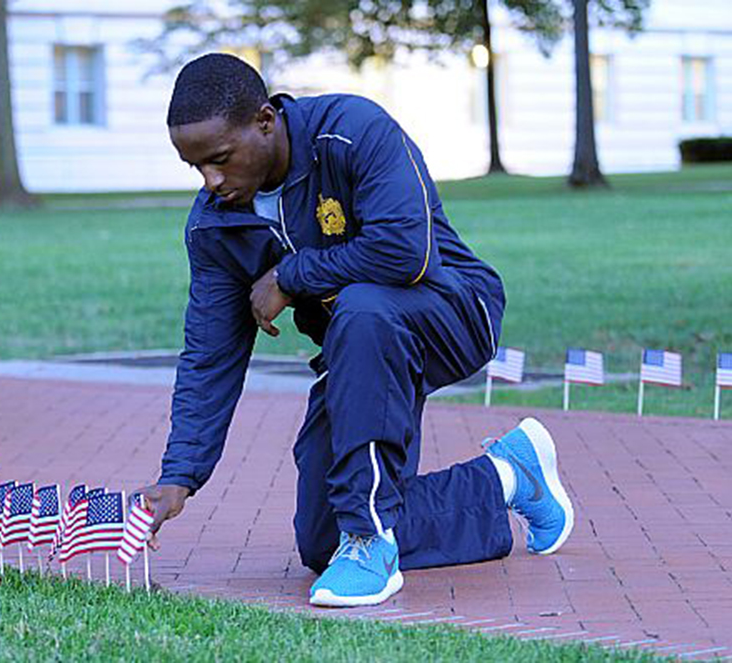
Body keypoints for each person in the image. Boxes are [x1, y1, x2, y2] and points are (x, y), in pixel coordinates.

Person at [137, 53, 574, 608]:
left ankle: (370, 540)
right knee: (322, 538)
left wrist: (289, 277)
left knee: (364, 307)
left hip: (454, 309)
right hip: (360, 350)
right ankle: (509, 477)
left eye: (220, 159)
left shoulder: (352, 131)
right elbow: (209, 356)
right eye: (196, 167)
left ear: (266, 121)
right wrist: (180, 475)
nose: (212, 180)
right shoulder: (216, 225)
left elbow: (403, 251)